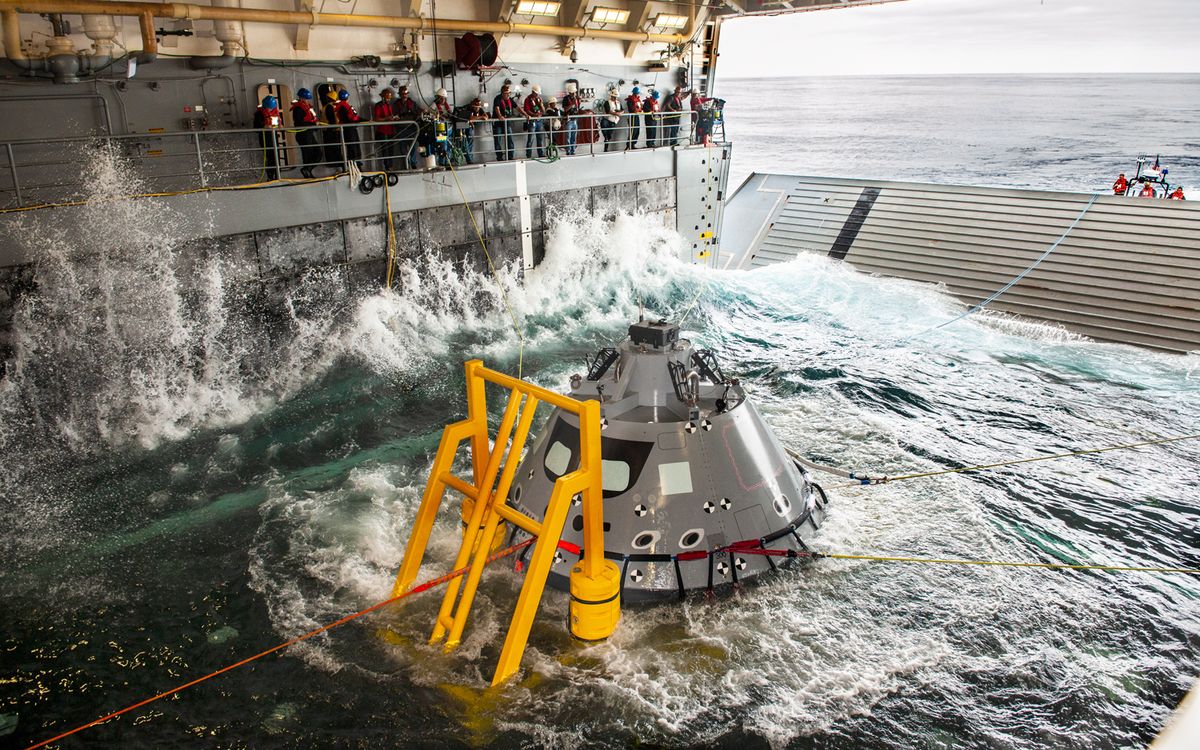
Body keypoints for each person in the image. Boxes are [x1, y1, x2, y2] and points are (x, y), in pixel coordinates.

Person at [290, 88, 321, 178]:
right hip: (303, 134)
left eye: (307, 99)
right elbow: (299, 123)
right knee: (307, 154)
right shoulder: (298, 109)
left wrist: (315, 126)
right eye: (305, 99)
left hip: (309, 133)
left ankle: (307, 169)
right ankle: (307, 173)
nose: (307, 101)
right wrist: (313, 124)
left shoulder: (308, 108)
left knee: (318, 153)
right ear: (301, 98)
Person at [253, 94, 283, 180]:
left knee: (276, 157)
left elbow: (276, 124)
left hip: (274, 138)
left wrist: (280, 126)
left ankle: (277, 176)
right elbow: (256, 128)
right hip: (265, 138)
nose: (270, 109)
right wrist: (264, 127)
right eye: (269, 108)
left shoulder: (274, 113)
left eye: (272, 108)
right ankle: (270, 177)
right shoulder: (259, 114)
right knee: (270, 158)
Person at [332, 89, 363, 168]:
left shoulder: (342, 106)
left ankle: (356, 165)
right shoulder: (344, 107)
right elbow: (350, 119)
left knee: (354, 147)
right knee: (353, 148)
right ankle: (355, 166)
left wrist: (364, 120)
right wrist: (363, 120)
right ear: (347, 97)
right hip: (349, 130)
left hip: (350, 129)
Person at [372, 88, 401, 171]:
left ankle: (390, 165)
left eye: (389, 98)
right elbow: (376, 119)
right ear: (383, 97)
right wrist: (387, 118)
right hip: (383, 131)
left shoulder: (389, 105)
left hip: (390, 130)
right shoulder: (378, 106)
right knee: (385, 150)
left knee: (391, 149)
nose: (388, 100)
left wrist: (394, 118)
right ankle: (387, 167)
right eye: (387, 98)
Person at [492, 83, 522, 161]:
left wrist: (526, 114)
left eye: (509, 93)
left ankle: (510, 156)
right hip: (498, 124)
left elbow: (517, 108)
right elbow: (497, 108)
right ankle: (499, 157)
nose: (508, 95)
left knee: (510, 139)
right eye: (506, 93)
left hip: (507, 123)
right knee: (497, 140)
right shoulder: (497, 98)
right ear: (502, 93)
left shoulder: (510, 100)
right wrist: (500, 116)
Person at [394, 85, 421, 168]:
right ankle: (405, 164)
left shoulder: (412, 103)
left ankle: (413, 163)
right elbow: (394, 115)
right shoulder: (396, 105)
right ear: (400, 95)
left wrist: (422, 111)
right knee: (403, 148)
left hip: (411, 128)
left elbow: (418, 111)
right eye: (402, 94)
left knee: (412, 147)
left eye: (405, 94)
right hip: (401, 129)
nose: (404, 96)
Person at [461, 97, 488, 164]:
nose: (477, 109)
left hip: (470, 126)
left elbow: (486, 116)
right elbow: (471, 118)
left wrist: (484, 116)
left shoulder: (480, 109)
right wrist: (481, 117)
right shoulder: (469, 108)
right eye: (476, 107)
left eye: (478, 107)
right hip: (463, 125)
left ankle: (469, 159)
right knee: (465, 143)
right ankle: (469, 159)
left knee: (470, 143)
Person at [523, 83, 547, 158]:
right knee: (530, 139)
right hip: (532, 122)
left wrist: (541, 104)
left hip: (539, 121)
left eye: (538, 94)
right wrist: (534, 115)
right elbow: (527, 110)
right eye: (536, 93)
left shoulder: (538, 99)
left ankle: (541, 154)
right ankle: (528, 155)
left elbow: (543, 111)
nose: (537, 95)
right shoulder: (527, 99)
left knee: (540, 138)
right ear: (533, 92)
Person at [430, 88, 453, 166]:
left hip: (449, 128)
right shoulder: (434, 105)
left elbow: (450, 113)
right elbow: (429, 114)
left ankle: (448, 162)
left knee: (449, 146)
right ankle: (442, 163)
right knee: (443, 146)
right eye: (441, 98)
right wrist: (437, 116)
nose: (443, 100)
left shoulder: (446, 105)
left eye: (444, 98)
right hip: (440, 128)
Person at [563, 81, 582, 156]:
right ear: (570, 93)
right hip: (569, 121)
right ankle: (568, 151)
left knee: (574, 137)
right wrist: (572, 103)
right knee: (568, 137)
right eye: (573, 92)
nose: (574, 94)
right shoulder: (566, 99)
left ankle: (573, 150)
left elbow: (577, 108)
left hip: (575, 120)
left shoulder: (576, 98)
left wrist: (578, 102)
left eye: (575, 92)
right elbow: (565, 109)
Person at [600, 88, 623, 152]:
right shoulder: (607, 102)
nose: (615, 98)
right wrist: (616, 113)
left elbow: (622, 109)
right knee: (605, 133)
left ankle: (606, 147)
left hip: (614, 121)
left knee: (609, 135)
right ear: (611, 96)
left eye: (616, 97)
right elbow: (608, 111)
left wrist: (621, 113)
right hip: (606, 120)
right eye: (614, 97)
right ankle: (606, 148)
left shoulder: (618, 103)